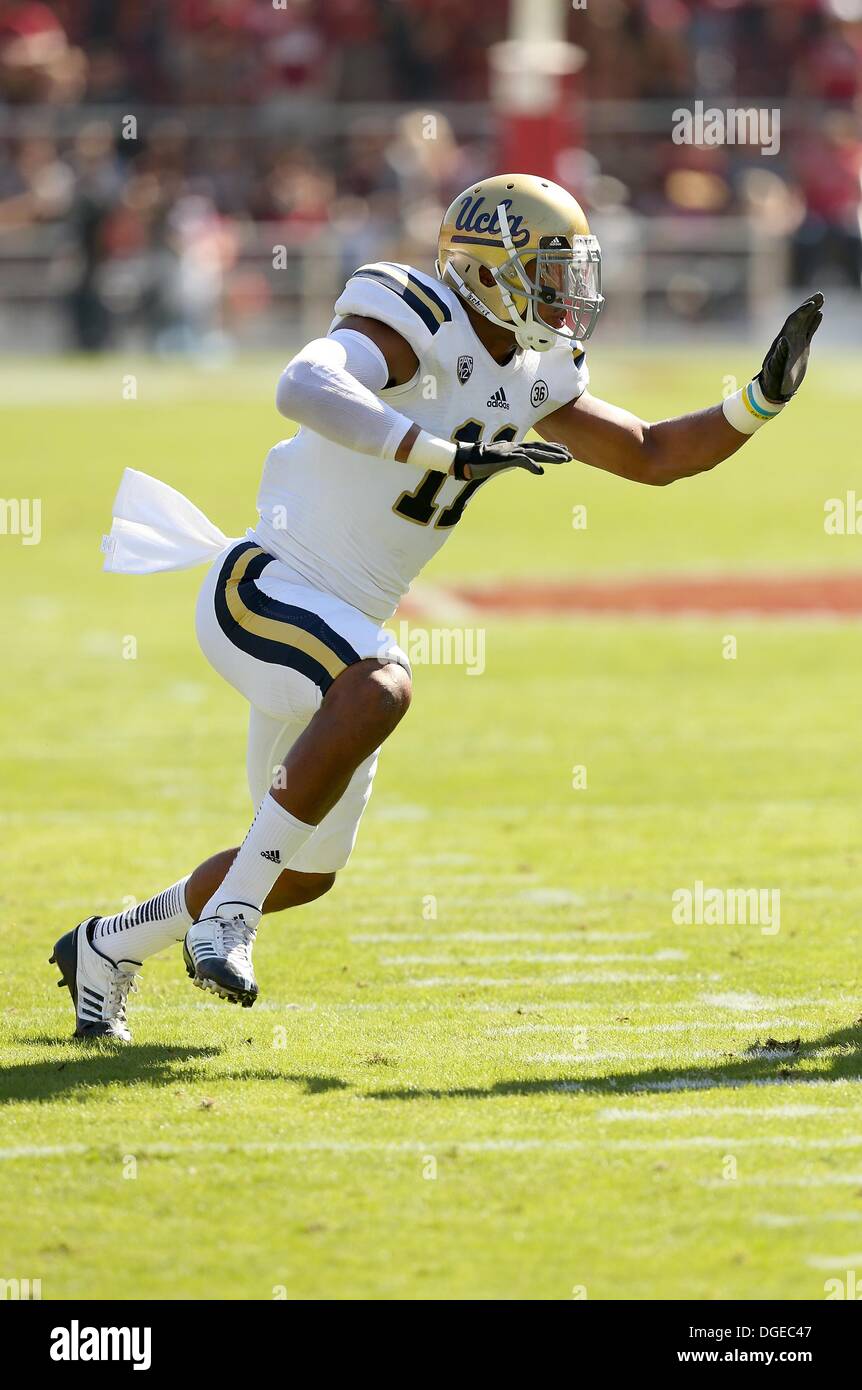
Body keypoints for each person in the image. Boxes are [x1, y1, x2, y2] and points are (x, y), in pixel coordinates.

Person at [50, 173, 823, 1040]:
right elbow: (303, 384)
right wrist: (433, 450)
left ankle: (107, 945)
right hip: (267, 587)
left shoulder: (537, 369)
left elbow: (650, 454)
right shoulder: (416, 319)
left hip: (340, 631)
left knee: (302, 872)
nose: (571, 293)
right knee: (383, 686)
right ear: (490, 269)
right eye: (553, 270)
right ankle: (226, 919)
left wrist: (761, 399)